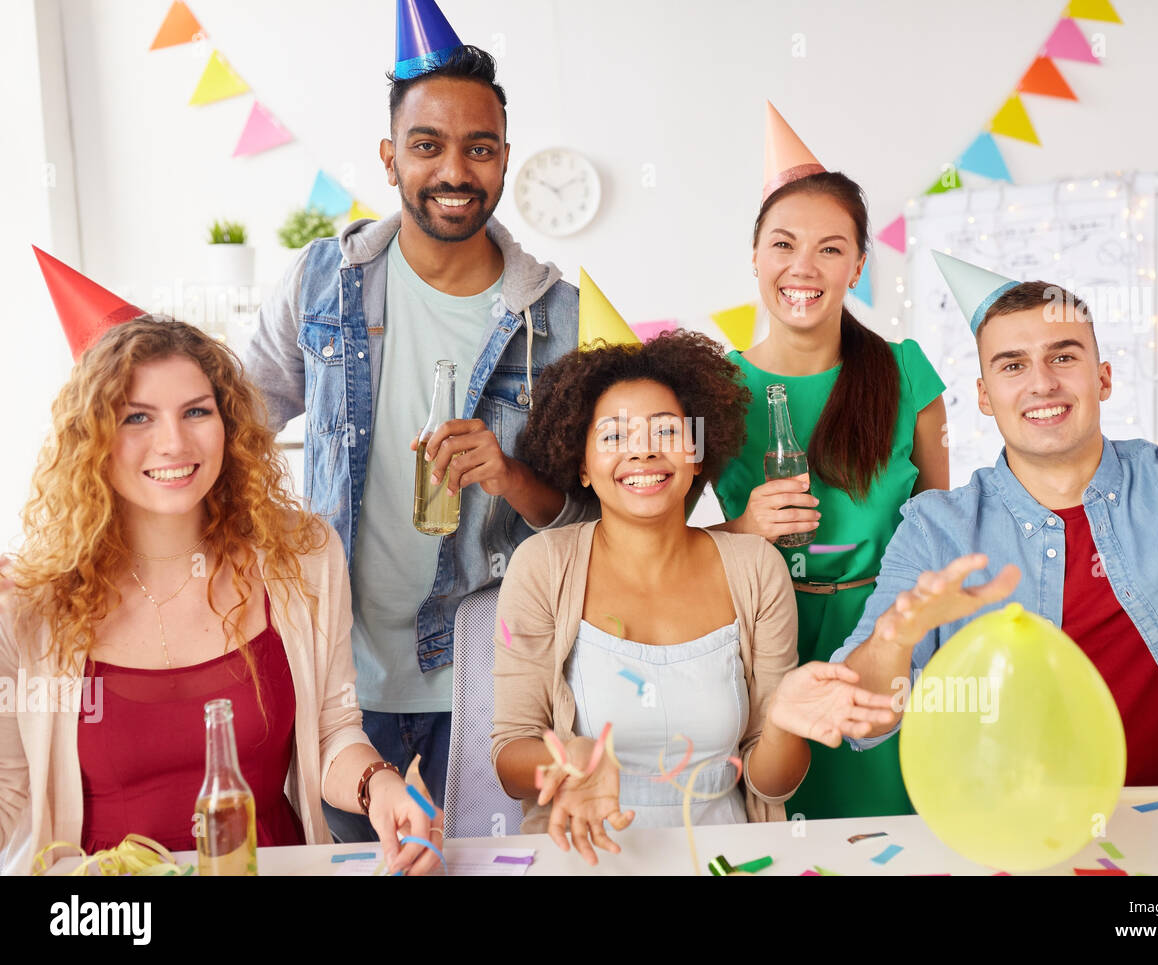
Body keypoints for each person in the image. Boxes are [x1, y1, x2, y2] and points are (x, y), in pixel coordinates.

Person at [243, 39, 584, 840]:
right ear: (391, 159)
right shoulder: (321, 282)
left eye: (480, 147)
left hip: (492, 689)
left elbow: (588, 522)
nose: (455, 170)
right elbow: (230, 426)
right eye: (428, 146)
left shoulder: (559, 319)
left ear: (505, 159)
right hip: (339, 688)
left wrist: (509, 478)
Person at [832, 253, 1158, 786]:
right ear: (985, 396)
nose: (1042, 384)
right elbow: (862, 719)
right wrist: (895, 639)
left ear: (1102, 377)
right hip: (1022, 840)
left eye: (1063, 357)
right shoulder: (935, 531)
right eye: (1012, 365)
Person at [0, 316, 440, 876]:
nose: (173, 443)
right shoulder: (30, 602)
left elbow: (333, 728)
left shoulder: (300, 557)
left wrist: (378, 785)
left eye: (196, 411)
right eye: (138, 416)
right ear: (94, 436)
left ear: (228, 423)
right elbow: (10, 789)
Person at [491, 330, 896, 865]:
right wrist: (573, 761)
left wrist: (781, 726)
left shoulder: (756, 568)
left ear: (699, 454)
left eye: (666, 430)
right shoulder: (543, 566)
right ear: (582, 464)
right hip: (584, 857)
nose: (642, 449)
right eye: (614, 435)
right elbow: (508, 756)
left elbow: (771, 785)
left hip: (726, 857)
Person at [713, 106, 948, 819]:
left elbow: (942, 529)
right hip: (766, 656)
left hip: (887, 648)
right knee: (780, 836)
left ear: (858, 265)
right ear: (754, 256)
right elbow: (659, 549)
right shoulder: (715, 391)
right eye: (783, 244)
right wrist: (747, 527)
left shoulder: (906, 375)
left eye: (830, 248)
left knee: (900, 843)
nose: (803, 268)